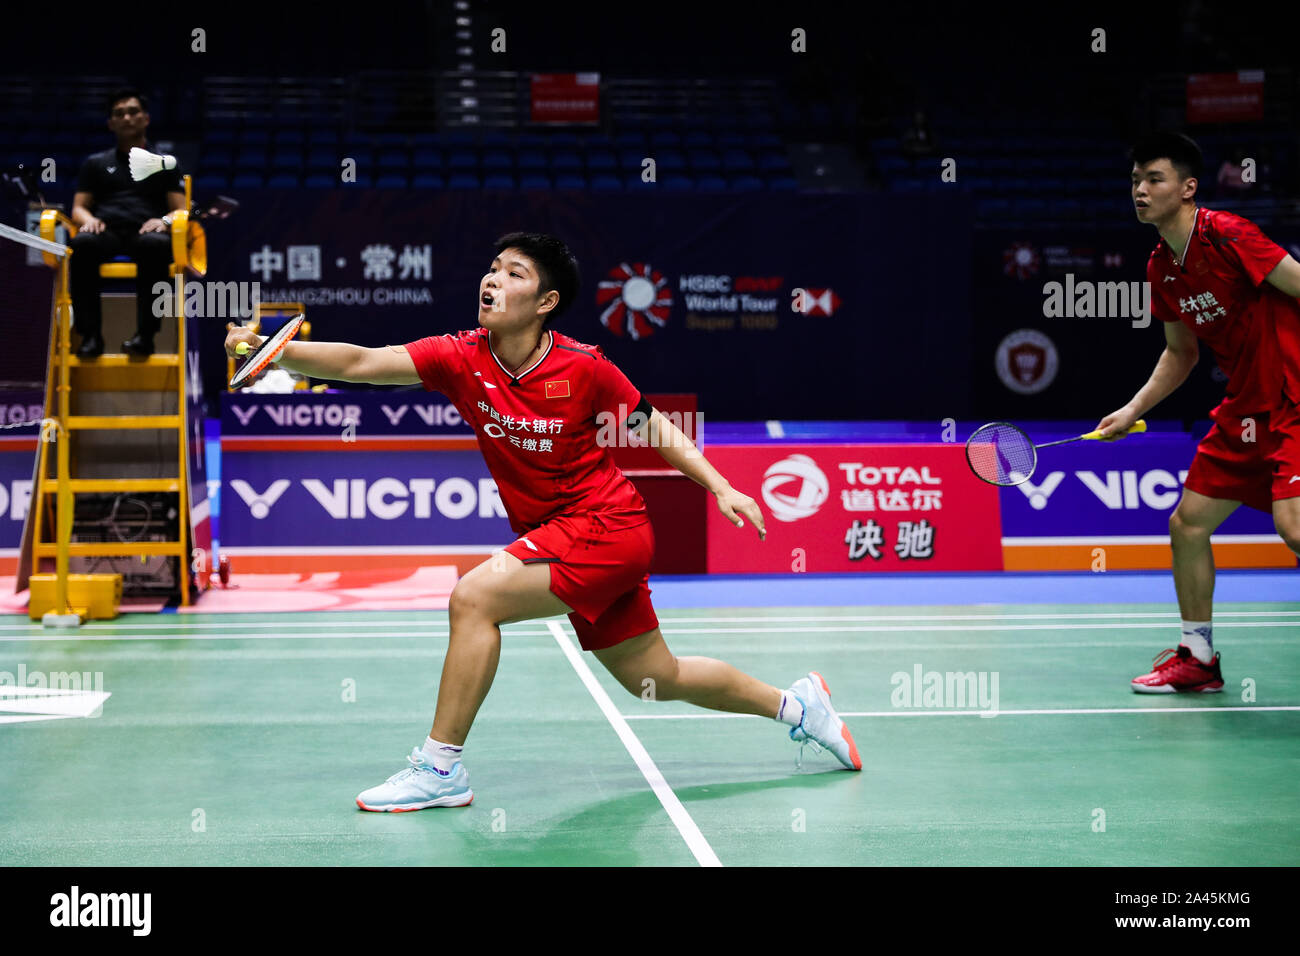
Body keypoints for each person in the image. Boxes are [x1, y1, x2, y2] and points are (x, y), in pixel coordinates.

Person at [224, 232, 861, 810]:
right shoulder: (459, 357)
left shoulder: (583, 366)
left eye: (515, 274)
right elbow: (362, 363)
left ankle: (440, 768)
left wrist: (720, 485)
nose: (493, 280)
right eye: (493, 268)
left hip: (607, 526)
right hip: (568, 537)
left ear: (546, 301)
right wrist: (273, 353)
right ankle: (798, 705)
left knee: (475, 599)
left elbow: (653, 425)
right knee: (656, 679)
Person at [1096, 132, 1300, 693]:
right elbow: (1181, 352)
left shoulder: (1229, 235)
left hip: (1295, 396)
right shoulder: (1162, 266)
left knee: (1293, 526)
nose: (1140, 190)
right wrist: (1131, 409)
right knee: (1187, 525)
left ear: (1187, 188)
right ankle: (1198, 656)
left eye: (1154, 179)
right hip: (1247, 407)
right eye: (1135, 180)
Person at [69, 89, 186, 357]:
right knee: (82, 243)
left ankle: (145, 337)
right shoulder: (95, 163)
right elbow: (78, 207)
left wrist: (164, 220)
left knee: (155, 246)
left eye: (133, 112)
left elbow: (180, 209)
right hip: (107, 231)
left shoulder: (165, 164)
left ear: (146, 119)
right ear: (111, 123)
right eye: (119, 113)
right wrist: (89, 220)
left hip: (146, 231)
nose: (127, 118)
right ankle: (90, 337)